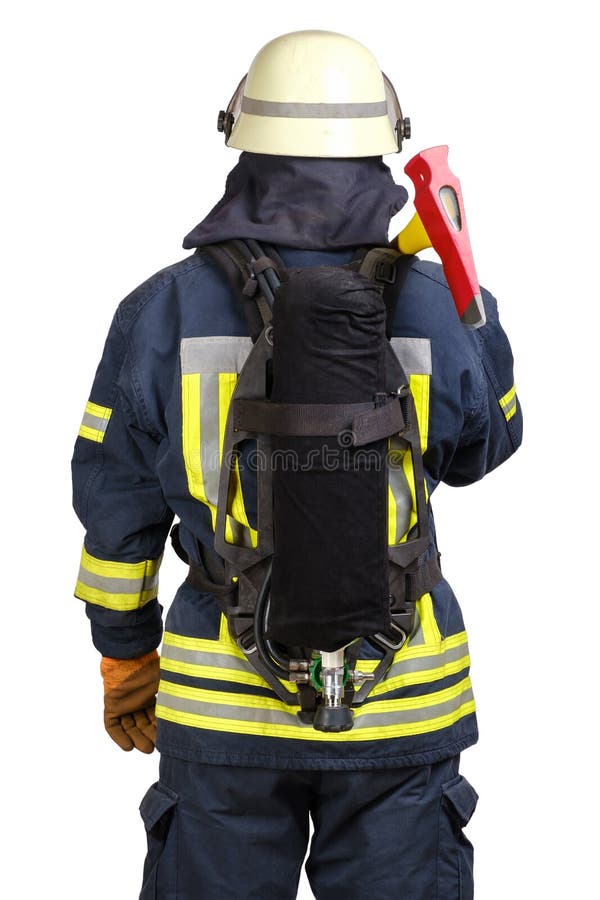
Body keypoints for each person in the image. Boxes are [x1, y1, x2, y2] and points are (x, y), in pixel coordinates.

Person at [72, 29, 522, 900]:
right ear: (384, 143)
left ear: (240, 140)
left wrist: (124, 654)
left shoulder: (160, 309)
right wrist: (472, 303)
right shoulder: (433, 299)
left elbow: (117, 507)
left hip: (220, 707)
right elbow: (486, 448)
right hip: (403, 703)